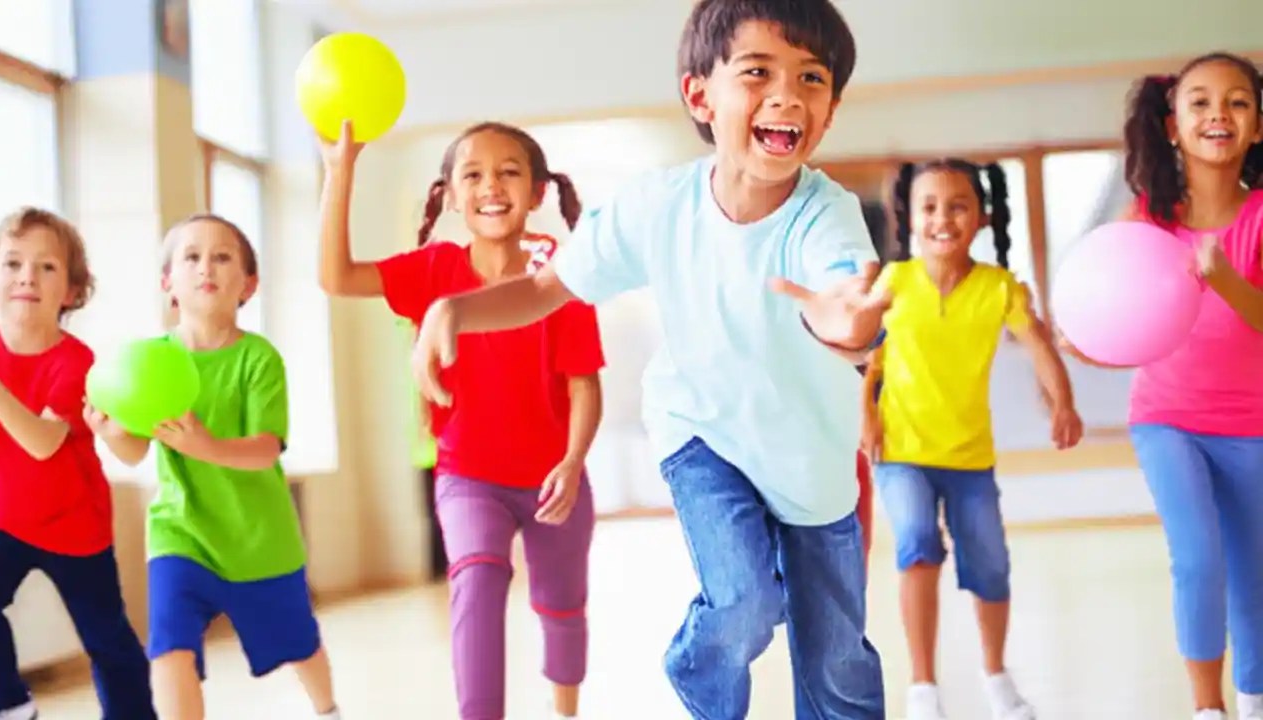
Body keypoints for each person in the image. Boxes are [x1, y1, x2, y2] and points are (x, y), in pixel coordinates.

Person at [410, 1, 891, 717]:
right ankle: (700, 674)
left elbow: (846, 299)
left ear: (829, 112)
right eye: (758, 71)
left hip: (812, 462)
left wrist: (848, 326)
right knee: (743, 603)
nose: (788, 93)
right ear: (700, 93)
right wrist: (454, 310)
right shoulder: (658, 206)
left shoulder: (828, 214)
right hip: (704, 437)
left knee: (838, 658)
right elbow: (548, 288)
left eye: (812, 78)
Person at [317, 120, 604, 720]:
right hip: (469, 475)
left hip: (555, 477)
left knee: (562, 607)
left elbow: (584, 385)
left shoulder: (561, 269)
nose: (490, 185)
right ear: (449, 195)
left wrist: (574, 462)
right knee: (475, 581)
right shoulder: (431, 270)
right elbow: (336, 277)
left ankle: (566, 709)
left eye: (508, 172)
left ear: (536, 191)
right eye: (471, 174)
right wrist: (339, 172)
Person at [1063, 52, 1263, 720]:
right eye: (1200, 101)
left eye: (1238, 102)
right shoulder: (1145, 221)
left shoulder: (1261, 216)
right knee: (1199, 560)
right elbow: (1116, 320)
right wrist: (1085, 344)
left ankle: (1253, 699)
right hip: (1168, 418)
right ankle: (1208, 709)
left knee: (1253, 576)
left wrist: (1227, 281)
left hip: (1254, 422)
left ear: (1258, 126)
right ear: (1172, 124)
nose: (1219, 114)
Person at [89, 215, 340, 720]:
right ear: (168, 284)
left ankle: (328, 709)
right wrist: (110, 432)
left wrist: (204, 445)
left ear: (249, 284)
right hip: (180, 532)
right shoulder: (149, 360)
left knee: (298, 643)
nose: (206, 266)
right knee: (169, 645)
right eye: (191, 256)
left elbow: (266, 449)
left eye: (223, 257)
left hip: (259, 539)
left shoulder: (258, 359)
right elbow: (137, 451)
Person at [862, 160, 1082, 720]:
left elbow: (1036, 345)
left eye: (958, 205)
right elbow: (871, 362)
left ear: (981, 217)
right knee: (916, 546)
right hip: (903, 451)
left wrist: (1064, 403)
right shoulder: (894, 282)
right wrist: (868, 417)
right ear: (910, 218)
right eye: (930, 206)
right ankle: (923, 688)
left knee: (988, 567)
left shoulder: (998, 287)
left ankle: (995, 673)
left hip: (968, 455)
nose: (943, 218)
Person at [0, 207, 156, 720]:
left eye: (47, 267)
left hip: (75, 526)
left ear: (73, 292)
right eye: (12, 263)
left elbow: (41, 442)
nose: (27, 277)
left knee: (107, 640)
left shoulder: (74, 362)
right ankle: (6, 706)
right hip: (3, 518)